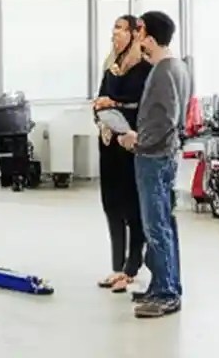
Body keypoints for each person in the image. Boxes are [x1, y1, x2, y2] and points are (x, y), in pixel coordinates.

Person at [118, 10, 190, 318]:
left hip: (153, 158)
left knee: (156, 225)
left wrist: (136, 140)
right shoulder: (176, 68)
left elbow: (164, 121)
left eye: (140, 33)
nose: (138, 40)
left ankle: (166, 293)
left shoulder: (163, 72)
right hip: (162, 155)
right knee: (163, 223)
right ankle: (164, 283)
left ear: (149, 36)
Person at [92, 15, 151, 294]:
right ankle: (117, 266)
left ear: (134, 33)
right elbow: (99, 101)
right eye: (113, 28)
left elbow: (142, 107)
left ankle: (132, 267)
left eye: (120, 28)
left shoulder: (144, 69)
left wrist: (114, 106)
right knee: (111, 204)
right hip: (108, 144)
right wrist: (101, 121)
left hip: (130, 144)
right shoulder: (111, 68)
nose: (115, 34)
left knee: (132, 207)